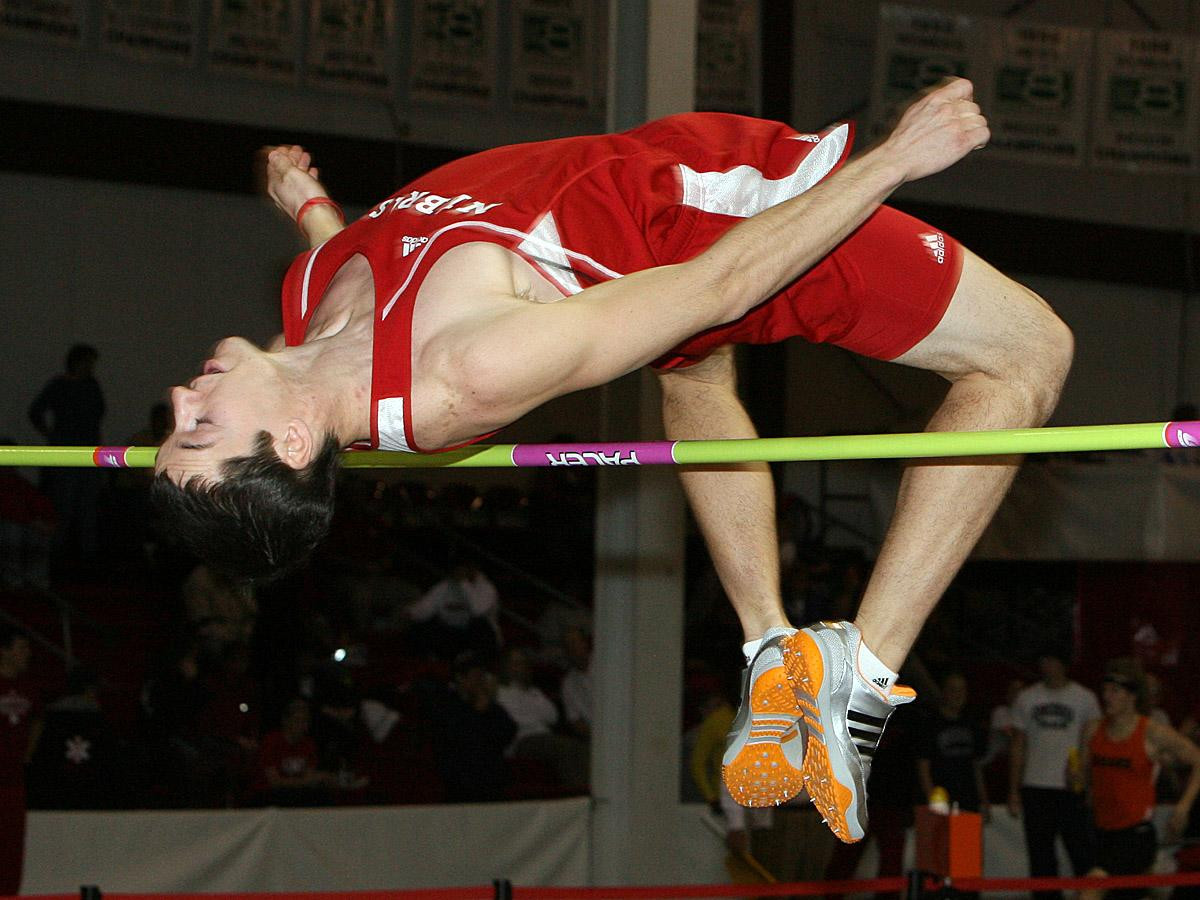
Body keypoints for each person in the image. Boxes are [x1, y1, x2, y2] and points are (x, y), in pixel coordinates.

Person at [151, 78, 1073, 842]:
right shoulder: (466, 372)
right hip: (705, 216)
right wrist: (897, 160)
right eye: (198, 429)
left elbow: (366, 285)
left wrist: (310, 207)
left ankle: (768, 649)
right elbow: (718, 284)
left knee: (697, 374)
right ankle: (863, 675)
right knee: (1030, 353)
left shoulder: (314, 316)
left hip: (637, 223)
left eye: (175, 421)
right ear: (295, 444)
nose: (182, 400)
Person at [1080, 659, 1200, 900]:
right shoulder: (1093, 730)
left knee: (1090, 892)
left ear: (1132, 696)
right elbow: (1081, 779)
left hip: (1135, 835)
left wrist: (1184, 807)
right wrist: (1075, 778)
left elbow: (1198, 759)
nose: (1106, 697)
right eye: (1104, 690)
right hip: (1101, 831)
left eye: (1114, 691)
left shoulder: (1152, 733)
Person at [1008, 652, 1101, 900]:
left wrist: (1088, 784)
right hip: (1035, 785)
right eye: (1044, 660)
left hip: (1071, 787)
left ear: (1063, 663)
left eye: (1052, 660)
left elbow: (1090, 746)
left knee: (1081, 854)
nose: (1047, 665)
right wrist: (1014, 789)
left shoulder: (1085, 698)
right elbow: (1018, 746)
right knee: (1041, 859)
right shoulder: (1027, 697)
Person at [28, 343, 106, 561]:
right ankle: (58, 558)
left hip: (90, 455)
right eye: (88, 362)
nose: (91, 367)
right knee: (63, 507)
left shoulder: (92, 385)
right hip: (65, 455)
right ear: (78, 362)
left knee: (88, 508)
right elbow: (35, 412)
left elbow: (98, 414)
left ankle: (88, 559)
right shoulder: (58, 385)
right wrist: (52, 435)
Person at [0, 626, 41, 895]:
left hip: (14, 779)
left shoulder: (29, 687)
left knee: (12, 846)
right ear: (3, 650)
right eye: (21, 648)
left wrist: (27, 753)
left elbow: (38, 719)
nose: (27, 654)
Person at [916, 672, 989, 816]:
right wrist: (932, 799)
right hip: (940, 799)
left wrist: (983, 798)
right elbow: (923, 766)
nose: (958, 695)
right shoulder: (930, 725)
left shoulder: (972, 724)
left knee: (966, 839)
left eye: (962, 690)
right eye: (953, 690)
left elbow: (976, 765)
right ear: (944, 692)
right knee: (941, 839)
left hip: (968, 799)